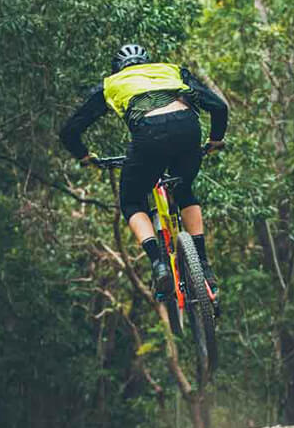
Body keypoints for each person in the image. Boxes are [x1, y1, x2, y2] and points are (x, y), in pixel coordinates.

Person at [58, 43, 228, 307]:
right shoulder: (172, 71)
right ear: (148, 62)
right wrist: (215, 140)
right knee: (183, 190)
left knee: (132, 200)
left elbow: (69, 131)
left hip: (150, 135)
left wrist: (84, 156)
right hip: (188, 130)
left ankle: (159, 265)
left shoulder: (111, 84)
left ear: (118, 69)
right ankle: (203, 264)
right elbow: (219, 106)